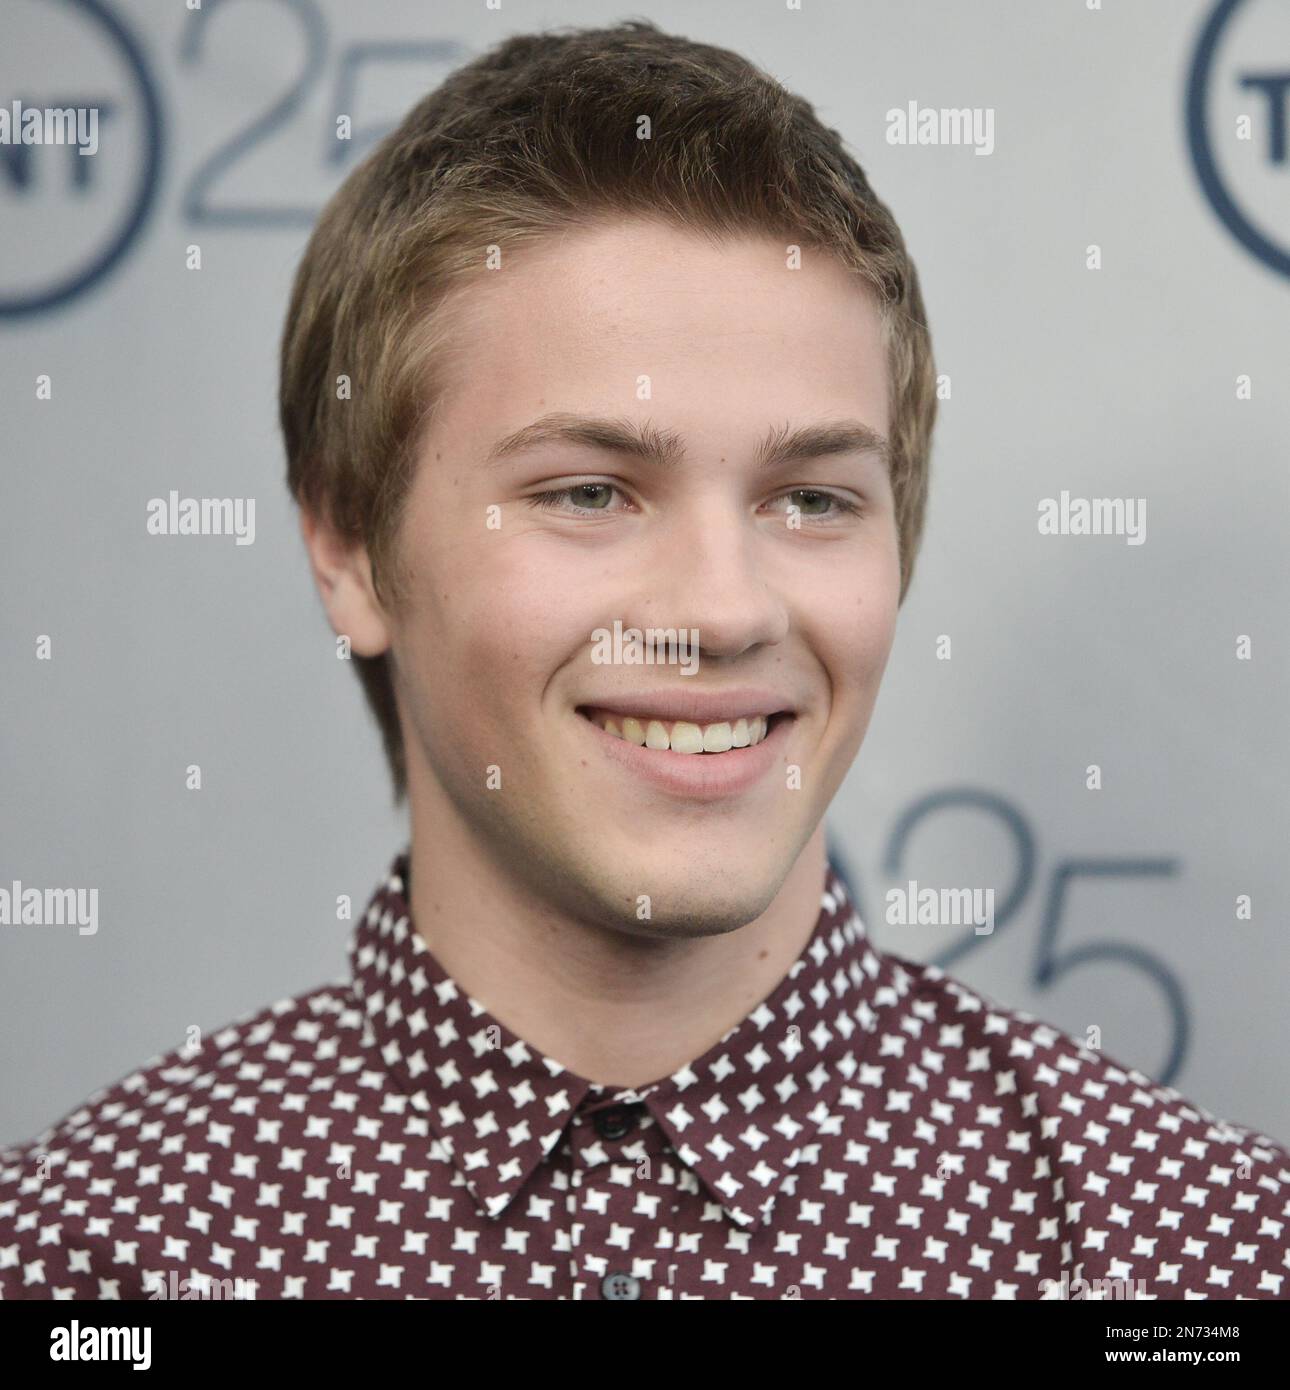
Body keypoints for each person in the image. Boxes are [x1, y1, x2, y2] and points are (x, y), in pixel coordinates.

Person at [2, 19, 1285, 1301]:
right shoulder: (85, 1266)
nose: (724, 611)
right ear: (349, 550)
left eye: (813, 500)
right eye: (590, 493)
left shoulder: (1191, 1258)